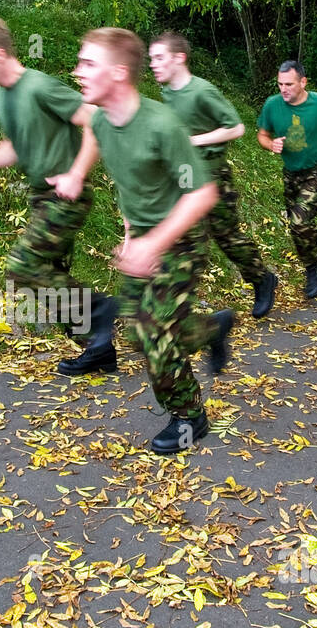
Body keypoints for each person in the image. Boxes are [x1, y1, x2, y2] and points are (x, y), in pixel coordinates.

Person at [73, 28, 233, 454]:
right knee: (138, 331)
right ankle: (212, 327)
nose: (77, 72)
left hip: (180, 238)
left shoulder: (162, 125)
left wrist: (154, 244)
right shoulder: (104, 121)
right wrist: (131, 237)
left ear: (119, 72)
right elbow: (130, 185)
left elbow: (202, 194)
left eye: (88, 64)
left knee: (152, 331)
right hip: (144, 239)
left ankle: (189, 416)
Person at [0, 16, 114, 373]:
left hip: (67, 195)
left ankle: (101, 309)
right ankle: (97, 348)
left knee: (23, 269)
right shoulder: (1, 97)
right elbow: (15, 147)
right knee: (50, 274)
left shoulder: (39, 87)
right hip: (41, 198)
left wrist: (76, 173)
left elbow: (95, 120)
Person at [148, 33, 277, 318]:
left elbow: (236, 128)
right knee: (183, 242)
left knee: (228, 238)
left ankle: (262, 278)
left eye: (159, 57)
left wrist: (192, 142)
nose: (153, 64)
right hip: (182, 181)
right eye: (151, 58)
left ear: (179, 58)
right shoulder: (167, 91)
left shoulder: (202, 91)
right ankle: (173, 310)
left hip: (213, 178)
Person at [256, 61, 317, 299]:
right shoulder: (272, 105)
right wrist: (271, 144)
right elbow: (261, 134)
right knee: (296, 225)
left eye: (289, 84)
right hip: (291, 173)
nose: (283, 89)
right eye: (280, 84)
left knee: (300, 221)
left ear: (303, 82)